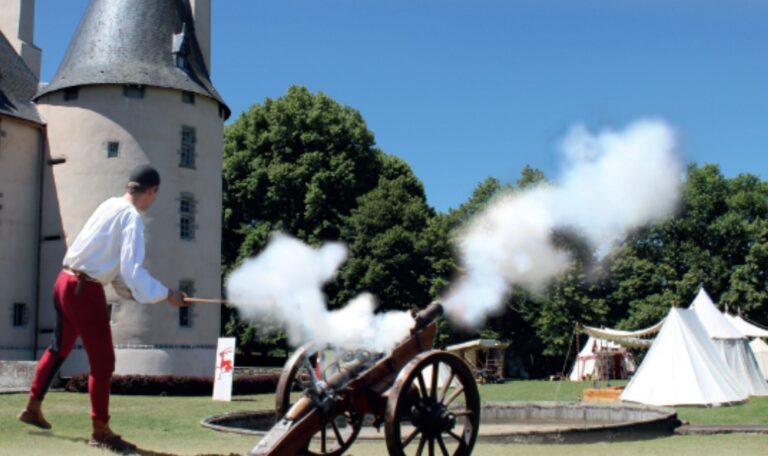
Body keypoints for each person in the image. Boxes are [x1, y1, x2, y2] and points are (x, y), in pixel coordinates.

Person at [18, 164, 188, 451]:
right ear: (152, 191)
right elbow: (132, 272)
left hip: (64, 280)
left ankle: (33, 407)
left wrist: (128, 290)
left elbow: (113, 265)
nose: (153, 202)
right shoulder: (132, 218)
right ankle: (100, 430)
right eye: (155, 196)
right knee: (104, 362)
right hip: (85, 289)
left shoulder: (109, 204)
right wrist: (166, 294)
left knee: (58, 348)